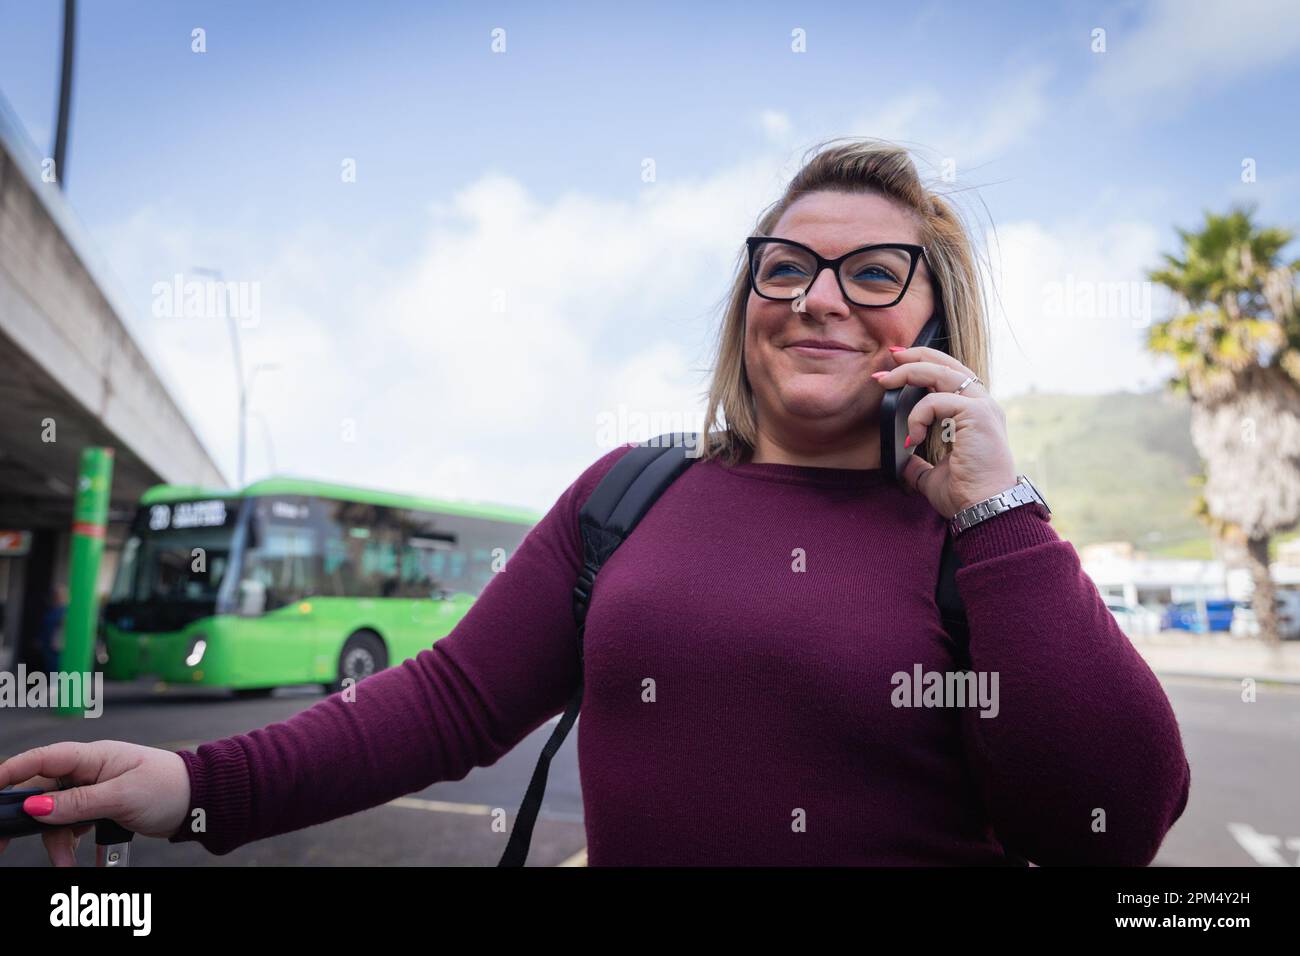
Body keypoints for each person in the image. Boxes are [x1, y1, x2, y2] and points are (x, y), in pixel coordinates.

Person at [0, 138, 1190, 866]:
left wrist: (998, 512)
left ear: (932, 317)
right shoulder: (635, 490)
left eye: (873, 273)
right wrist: (199, 786)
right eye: (785, 265)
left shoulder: (980, 537)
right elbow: (443, 705)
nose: (820, 298)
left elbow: (1111, 821)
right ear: (748, 298)